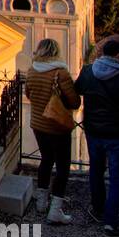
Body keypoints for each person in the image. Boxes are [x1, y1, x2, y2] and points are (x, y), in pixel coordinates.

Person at [75, 39, 119, 237]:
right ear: (118, 56)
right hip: (117, 135)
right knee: (117, 179)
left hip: (93, 131)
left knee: (96, 171)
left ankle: (98, 210)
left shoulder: (88, 72)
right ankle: (111, 223)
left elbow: (76, 90)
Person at [24, 38, 80, 224]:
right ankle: (55, 210)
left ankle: (41, 202)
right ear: (56, 52)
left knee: (46, 160)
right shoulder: (60, 73)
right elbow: (74, 102)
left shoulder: (32, 71)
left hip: (38, 124)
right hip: (57, 126)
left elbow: (29, 95)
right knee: (63, 166)